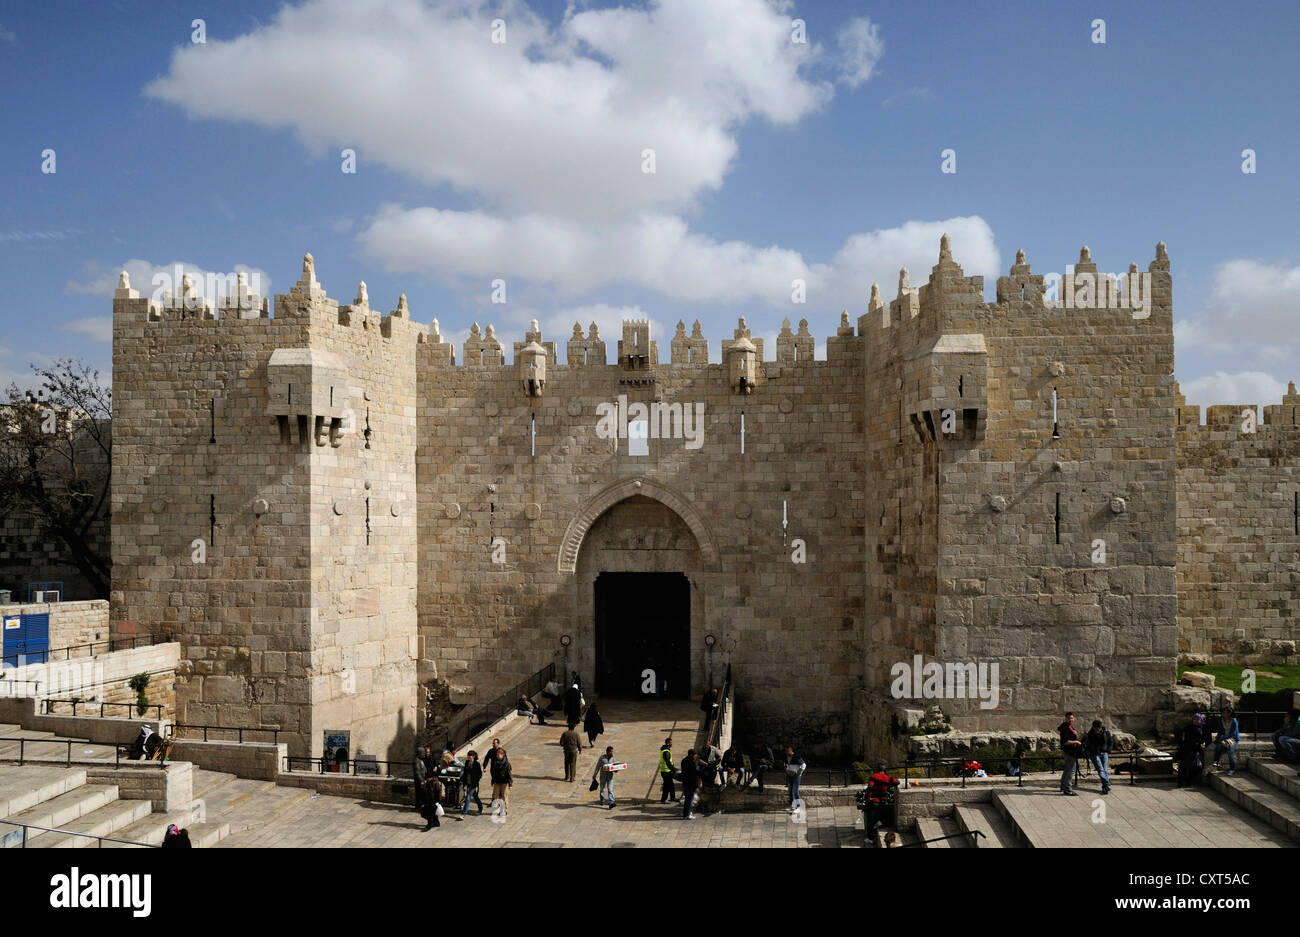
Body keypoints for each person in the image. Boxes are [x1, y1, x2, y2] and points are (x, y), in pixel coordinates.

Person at [1176, 713, 1212, 787]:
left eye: (1197, 719)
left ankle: (1189, 781)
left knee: (1195, 767)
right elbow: (1188, 739)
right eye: (1194, 719)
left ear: (1201, 720)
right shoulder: (1189, 728)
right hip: (1188, 749)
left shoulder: (1205, 728)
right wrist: (1198, 745)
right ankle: (1181, 782)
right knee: (1184, 766)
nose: (1195, 721)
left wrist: (1205, 744)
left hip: (1198, 750)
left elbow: (1208, 738)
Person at [1058, 712, 1085, 796]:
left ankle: (1063, 786)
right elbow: (1065, 742)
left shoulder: (1069, 727)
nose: (1070, 720)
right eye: (1069, 718)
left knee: (1067, 770)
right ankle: (1068, 789)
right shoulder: (1065, 728)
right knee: (1071, 771)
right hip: (1069, 752)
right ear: (1065, 719)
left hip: (1071, 752)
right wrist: (1077, 741)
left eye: (1072, 718)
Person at [1085, 719, 1113, 795]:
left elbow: (1110, 742)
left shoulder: (1106, 732)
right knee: (1100, 770)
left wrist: (1108, 750)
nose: (1098, 729)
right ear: (1093, 727)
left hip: (1104, 753)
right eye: (1097, 728)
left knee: (1105, 770)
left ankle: (1105, 786)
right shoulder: (1090, 734)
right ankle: (1107, 784)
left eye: (1099, 728)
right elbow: (1089, 745)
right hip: (1095, 754)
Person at [1212, 708, 1240, 776]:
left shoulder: (1234, 721)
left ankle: (1232, 769)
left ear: (1229, 713)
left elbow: (1233, 733)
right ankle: (1216, 761)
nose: (1222, 714)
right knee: (1218, 746)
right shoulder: (1221, 720)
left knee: (1230, 752)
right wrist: (1218, 737)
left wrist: (1223, 737)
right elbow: (1221, 730)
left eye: (1224, 712)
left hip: (1233, 739)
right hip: (1225, 738)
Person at [459, 750, 484, 819]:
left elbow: (480, 774)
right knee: (475, 796)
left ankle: (463, 814)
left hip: (473, 784)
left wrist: (476, 781)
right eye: (468, 755)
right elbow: (465, 772)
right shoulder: (467, 762)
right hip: (468, 783)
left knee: (468, 798)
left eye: (470, 755)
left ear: (473, 756)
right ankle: (481, 807)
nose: (468, 757)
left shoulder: (476, 764)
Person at [489, 746, 513, 815]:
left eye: (498, 754)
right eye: (497, 754)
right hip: (496, 782)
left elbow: (509, 774)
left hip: (504, 782)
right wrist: (492, 780)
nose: (497, 755)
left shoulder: (507, 763)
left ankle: (504, 810)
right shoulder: (494, 762)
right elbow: (493, 772)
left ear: (502, 755)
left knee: (504, 797)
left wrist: (510, 783)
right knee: (495, 796)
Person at [784, 746, 806, 810]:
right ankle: (792, 806)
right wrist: (786, 770)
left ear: (791, 750)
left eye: (788, 751)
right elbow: (786, 765)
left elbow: (804, 765)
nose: (787, 752)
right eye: (786, 751)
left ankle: (798, 806)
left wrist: (798, 774)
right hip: (789, 776)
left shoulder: (797, 757)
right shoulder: (786, 757)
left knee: (795, 790)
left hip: (796, 777)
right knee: (790, 790)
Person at [681, 748, 700, 820]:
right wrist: (696, 786)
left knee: (687, 799)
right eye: (695, 755)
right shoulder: (691, 763)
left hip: (685, 783)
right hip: (690, 785)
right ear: (691, 755)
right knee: (689, 799)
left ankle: (686, 813)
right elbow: (693, 776)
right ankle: (687, 814)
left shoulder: (684, 761)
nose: (695, 756)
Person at [658, 737, 677, 803]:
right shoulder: (666, 752)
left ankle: (673, 797)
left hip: (666, 771)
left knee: (671, 785)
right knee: (666, 786)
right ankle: (663, 800)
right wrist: (674, 769)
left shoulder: (665, 750)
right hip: (666, 772)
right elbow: (668, 762)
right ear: (668, 743)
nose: (672, 744)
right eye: (671, 742)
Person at [412, 744, 429, 813]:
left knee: (422, 793)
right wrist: (421, 780)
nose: (424, 754)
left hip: (423, 779)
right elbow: (417, 772)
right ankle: (418, 806)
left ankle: (420, 805)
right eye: (423, 753)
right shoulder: (416, 761)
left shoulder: (420, 760)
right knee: (420, 794)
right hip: (419, 780)